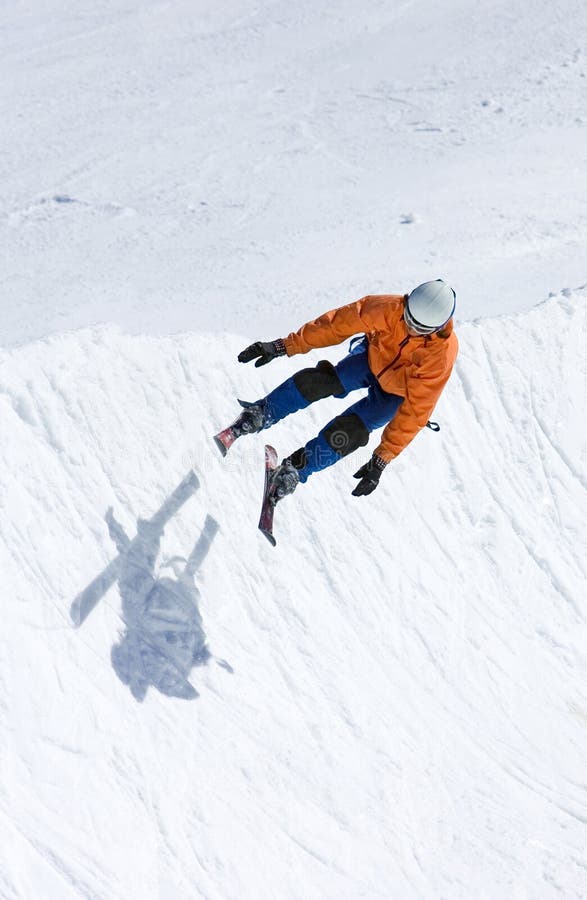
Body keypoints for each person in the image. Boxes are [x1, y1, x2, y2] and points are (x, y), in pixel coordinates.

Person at [220, 279, 458, 502]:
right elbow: (335, 325)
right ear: (406, 302)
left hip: (399, 392)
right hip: (371, 357)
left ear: (437, 328)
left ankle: (295, 470)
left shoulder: (441, 356)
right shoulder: (388, 308)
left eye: (419, 328)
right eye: (408, 319)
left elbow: (417, 410)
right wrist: (283, 346)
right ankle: (262, 413)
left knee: (353, 431)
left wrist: (381, 460)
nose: (411, 329)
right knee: (323, 381)